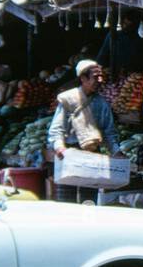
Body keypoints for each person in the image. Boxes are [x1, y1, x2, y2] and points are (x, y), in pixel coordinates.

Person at [48, 59, 120, 203]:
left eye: (101, 76)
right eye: (95, 77)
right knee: (66, 201)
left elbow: (109, 132)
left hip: (92, 155)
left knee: (89, 201)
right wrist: (59, 147)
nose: (100, 80)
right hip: (69, 153)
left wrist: (116, 151)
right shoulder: (68, 99)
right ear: (83, 78)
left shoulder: (102, 103)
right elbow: (56, 130)